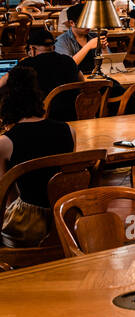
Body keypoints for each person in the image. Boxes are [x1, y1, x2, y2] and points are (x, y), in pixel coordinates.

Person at [0, 66, 75, 247]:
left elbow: (3, 195)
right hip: (67, 218)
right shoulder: (69, 130)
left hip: (28, 225)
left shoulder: (6, 142)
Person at [0, 26, 81, 105]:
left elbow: (1, 83)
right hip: (73, 113)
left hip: (42, 114)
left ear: (32, 49)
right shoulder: (68, 60)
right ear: (53, 47)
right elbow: (83, 83)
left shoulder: (27, 64)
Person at [53, 2, 104, 74]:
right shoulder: (61, 41)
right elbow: (67, 67)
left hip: (97, 77)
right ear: (71, 23)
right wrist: (88, 46)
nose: (88, 26)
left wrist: (104, 49)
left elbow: (111, 63)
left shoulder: (94, 36)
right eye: (84, 23)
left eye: (89, 22)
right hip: (75, 81)